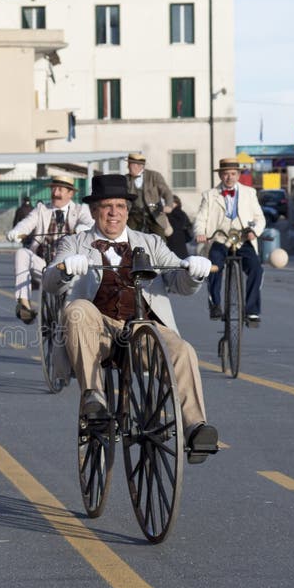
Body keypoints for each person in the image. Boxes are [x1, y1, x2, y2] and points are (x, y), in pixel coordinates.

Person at [42, 173, 218, 462]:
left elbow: (179, 281)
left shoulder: (151, 242)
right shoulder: (74, 243)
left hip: (143, 331)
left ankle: (195, 427)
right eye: (107, 206)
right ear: (94, 210)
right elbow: (50, 281)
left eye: (120, 206)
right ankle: (93, 397)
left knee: (184, 351)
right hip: (97, 331)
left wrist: (194, 272)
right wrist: (64, 270)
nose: (114, 213)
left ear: (127, 210)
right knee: (76, 309)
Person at [6, 174, 94, 323]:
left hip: (69, 268)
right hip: (45, 267)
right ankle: (24, 304)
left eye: (60, 189)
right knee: (22, 253)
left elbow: (90, 224)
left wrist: (81, 228)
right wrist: (17, 232)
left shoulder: (80, 210)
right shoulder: (41, 209)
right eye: (53, 189)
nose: (55, 193)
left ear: (70, 193)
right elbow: (27, 223)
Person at [194, 157, 266, 326]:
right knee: (213, 267)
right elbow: (200, 219)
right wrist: (200, 233)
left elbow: (259, 218)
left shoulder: (249, 193)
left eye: (233, 174)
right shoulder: (210, 195)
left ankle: (252, 311)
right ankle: (215, 304)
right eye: (226, 174)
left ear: (238, 174)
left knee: (256, 269)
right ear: (220, 176)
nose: (229, 177)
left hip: (242, 239)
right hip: (219, 239)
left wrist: (254, 232)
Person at [125, 152, 174, 238]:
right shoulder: (126, 179)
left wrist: (169, 205)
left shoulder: (154, 176)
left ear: (138, 166)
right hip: (134, 214)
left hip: (153, 213)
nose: (128, 167)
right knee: (129, 236)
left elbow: (166, 192)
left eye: (130, 165)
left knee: (159, 238)